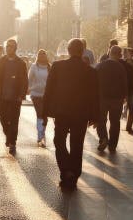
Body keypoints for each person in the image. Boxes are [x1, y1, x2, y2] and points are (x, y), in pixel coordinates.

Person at [43, 39, 100, 190]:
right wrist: (95, 116)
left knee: (59, 141)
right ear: (82, 51)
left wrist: (44, 113)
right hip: (81, 115)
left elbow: (48, 90)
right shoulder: (90, 71)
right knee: (77, 144)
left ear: (68, 51)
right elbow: (95, 96)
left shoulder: (57, 66)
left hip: (62, 112)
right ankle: (74, 174)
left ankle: (65, 170)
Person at [0, 39, 29, 155]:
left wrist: (22, 95)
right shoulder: (1, 61)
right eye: (7, 46)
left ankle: (12, 143)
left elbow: (24, 80)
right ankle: (8, 135)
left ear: (15, 48)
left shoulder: (21, 63)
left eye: (11, 46)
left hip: (15, 97)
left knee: (14, 120)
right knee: (3, 118)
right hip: (3, 95)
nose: (8, 48)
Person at [95, 45, 128, 153]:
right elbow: (124, 83)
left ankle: (103, 138)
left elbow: (93, 82)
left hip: (102, 98)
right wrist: (124, 96)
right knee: (115, 122)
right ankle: (112, 145)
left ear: (109, 53)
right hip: (116, 99)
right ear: (119, 55)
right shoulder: (121, 67)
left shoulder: (100, 65)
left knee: (101, 120)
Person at [29, 49, 51, 147]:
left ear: (46, 56)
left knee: (45, 116)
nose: (42, 56)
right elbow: (29, 79)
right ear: (37, 56)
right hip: (36, 94)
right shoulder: (34, 67)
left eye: (43, 54)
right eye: (40, 54)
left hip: (47, 95)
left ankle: (42, 133)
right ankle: (40, 136)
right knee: (40, 113)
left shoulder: (50, 67)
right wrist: (28, 89)